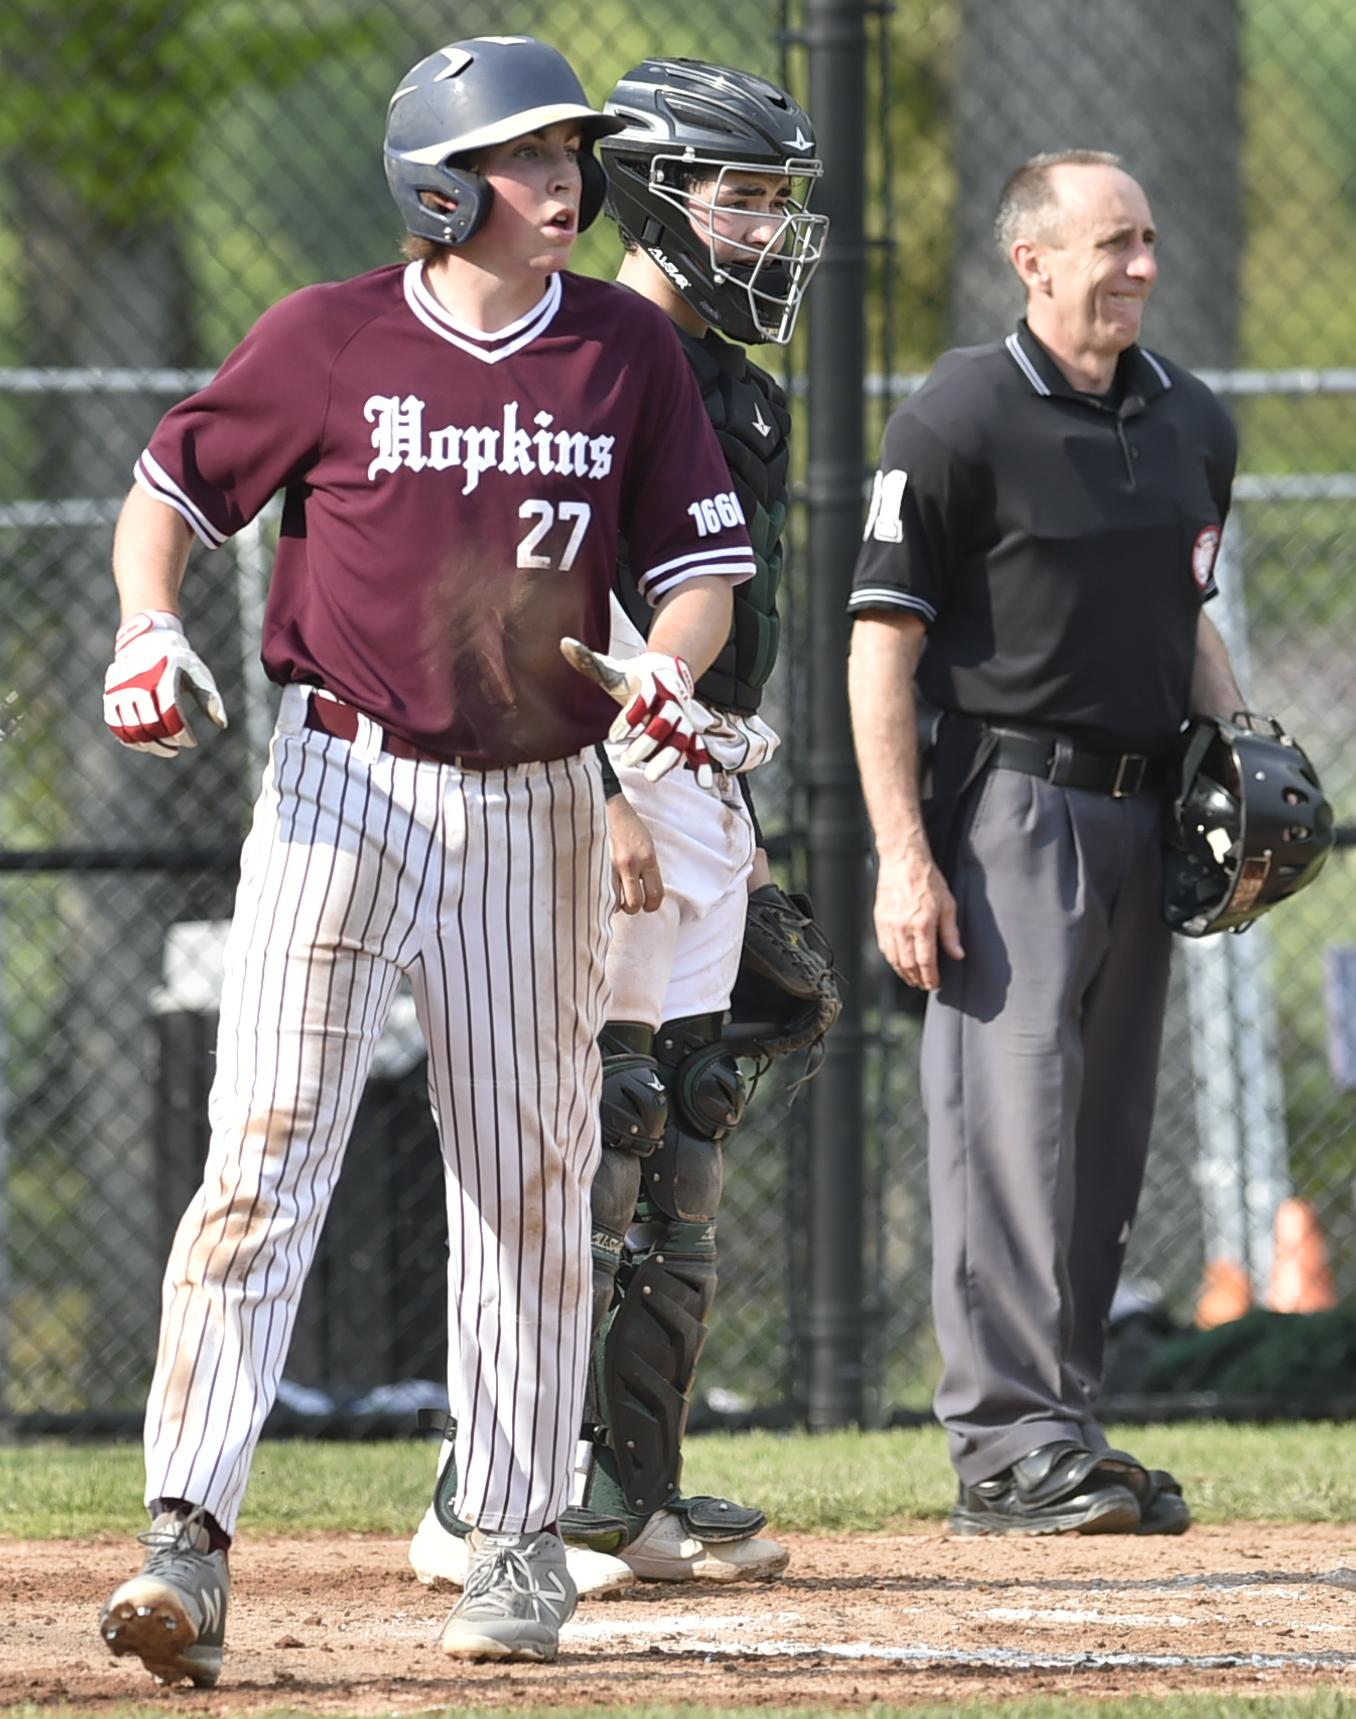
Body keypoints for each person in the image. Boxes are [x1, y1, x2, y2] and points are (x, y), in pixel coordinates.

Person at [96, 35, 757, 1684]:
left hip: (535, 800)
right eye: (532, 157)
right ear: (440, 185)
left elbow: (697, 571)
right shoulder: (327, 338)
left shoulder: (621, 349)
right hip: (340, 791)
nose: (566, 183)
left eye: (570, 155)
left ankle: (519, 1536)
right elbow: (167, 489)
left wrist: (669, 663)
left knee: (529, 1176)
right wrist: (145, 621)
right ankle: (189, 1539)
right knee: (261, 1158)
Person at [407, 57, 833, 1596]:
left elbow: (717, 615)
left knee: (692, 1109)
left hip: (697, 767)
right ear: (651, 186)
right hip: (591, 761)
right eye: (740, 194)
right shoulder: (586, 357)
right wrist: (593, 789)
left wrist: (743, 828)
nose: (768, 230)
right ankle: (488, 1489)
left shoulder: (730, 381)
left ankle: (626, 1491)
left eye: (780, 200)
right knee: (604, 1120)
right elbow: (516, 603)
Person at [847, 150, 1246, 1536]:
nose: (1140, 265)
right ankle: (1004, 1444)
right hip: (1009, 810)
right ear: (1035, 260)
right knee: (1004, 1131)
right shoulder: (961, 414)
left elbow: (1182, 609)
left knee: (1105, 1138)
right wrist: (905, 854)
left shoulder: (1190, 416)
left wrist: (1241, 749)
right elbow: (880, 646)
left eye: (1148, 240)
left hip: (1143, 810)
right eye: (1113, 241)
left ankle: (1065, 1426)